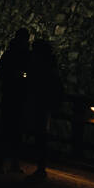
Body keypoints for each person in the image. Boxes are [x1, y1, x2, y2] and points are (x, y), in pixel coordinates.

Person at [25, 38, 63, 178]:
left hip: (40, 103)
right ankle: (41, 167)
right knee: (42, 135)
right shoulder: (50, 66)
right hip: (45, 104)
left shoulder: (39, 66)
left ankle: (40, 167)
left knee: (39, 135)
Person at [0, 28, 30, 172]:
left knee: (10, 131)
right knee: (13, 131)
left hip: (12, 97)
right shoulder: (23, 56)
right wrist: (16, 75)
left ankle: (6, 163)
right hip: (15, 98)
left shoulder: (10, 54)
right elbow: (0, 74)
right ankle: (7, 163)